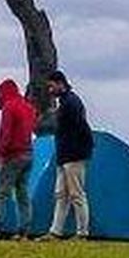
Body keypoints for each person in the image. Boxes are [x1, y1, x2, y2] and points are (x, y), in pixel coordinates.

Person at [42, 69, 94, 240]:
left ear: (60, 84)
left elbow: (81, 129)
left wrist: (79, 151)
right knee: (61, 194)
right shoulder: (65, 103)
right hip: (64, 155)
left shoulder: (71, 103)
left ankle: (82, 232)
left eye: (51, 86)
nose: (50, 90)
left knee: (77, 194)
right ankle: (55, 231)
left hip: (73, 155)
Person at [0, 78, 37, 239]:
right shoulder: (29, 108)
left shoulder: (9, 107)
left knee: (0, 192)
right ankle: (24, 229)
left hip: (13, 156)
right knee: (22, 193)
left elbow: (6, 135)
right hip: (29, 154)